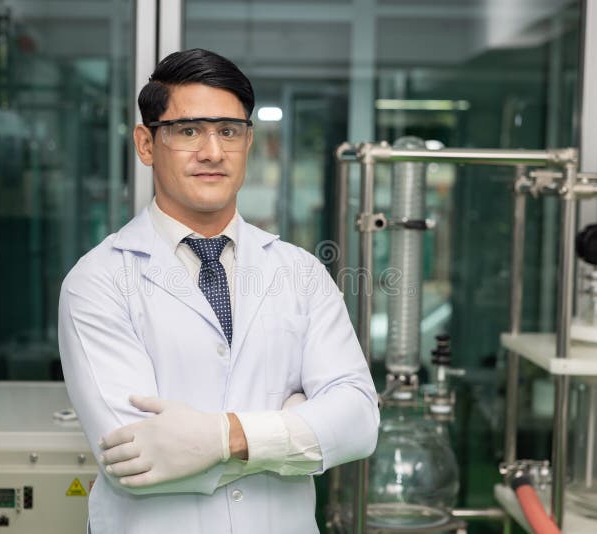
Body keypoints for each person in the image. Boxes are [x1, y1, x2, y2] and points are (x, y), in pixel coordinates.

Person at [58, 48, 378, 534]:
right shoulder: (98, 282)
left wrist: (216, 438)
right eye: (188, 131)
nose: (212, 152)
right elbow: (133, 464)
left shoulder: (301, 272)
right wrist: (293, 433)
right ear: (146, 144)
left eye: (229, 131)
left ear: (248, 142)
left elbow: (357, 422)